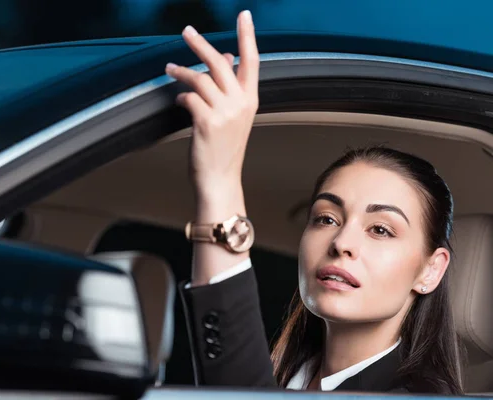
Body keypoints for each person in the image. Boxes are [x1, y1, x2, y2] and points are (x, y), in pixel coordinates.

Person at [165, 10, 464, 394]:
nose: (342, 243)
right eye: (326, 219)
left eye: (380, 229)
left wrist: (220, 180)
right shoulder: (288, 374)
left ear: (431, 271)